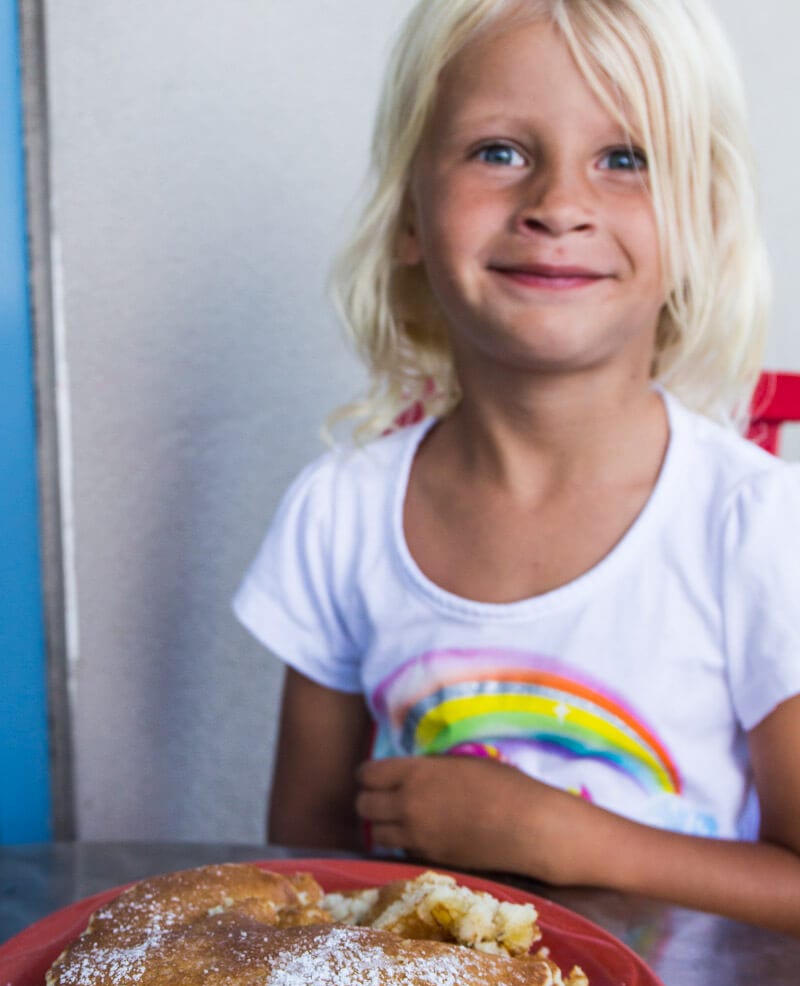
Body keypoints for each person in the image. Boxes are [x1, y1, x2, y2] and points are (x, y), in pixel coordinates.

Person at [234, 0, 800, 934]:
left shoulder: (753, 526)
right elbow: (303, 865)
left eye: (626, 158)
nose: (559, 206)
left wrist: (573, 840)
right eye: (499, 151)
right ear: (410, 212)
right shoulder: (339, 512)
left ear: (698, 223)